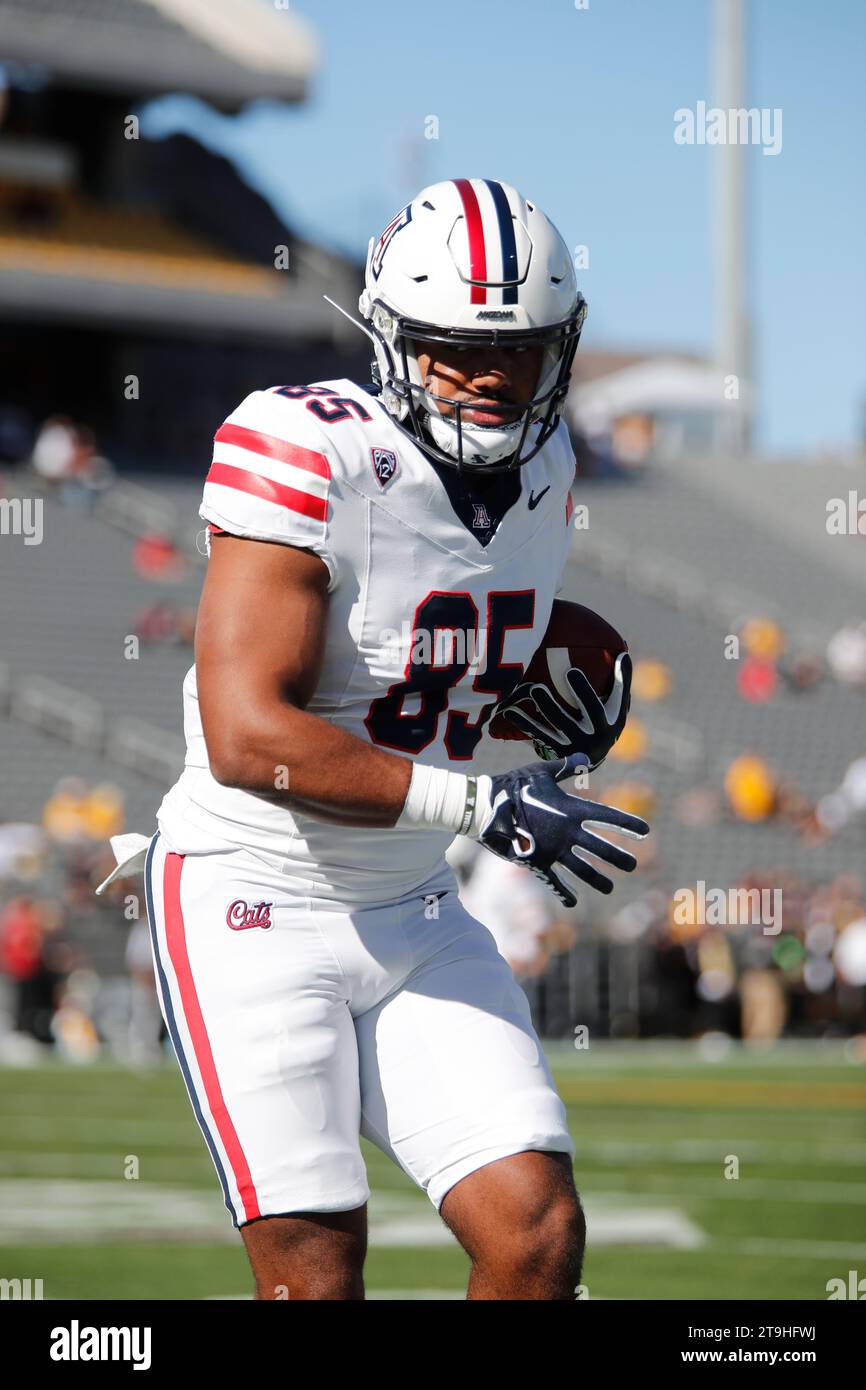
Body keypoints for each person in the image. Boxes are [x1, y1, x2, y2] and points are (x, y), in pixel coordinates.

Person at [128, 180, 647, 1300]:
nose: (487, 372)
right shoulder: (301, 446)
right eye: (452, 345)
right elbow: (246, 732)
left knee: (537, 1236)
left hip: (411, 907)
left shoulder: (549, 469)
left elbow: (416, 654)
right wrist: (486, 806)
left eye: (516, 347)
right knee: (314, 1283)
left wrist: (549, 660)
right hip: (251, 903)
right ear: (391, 339)